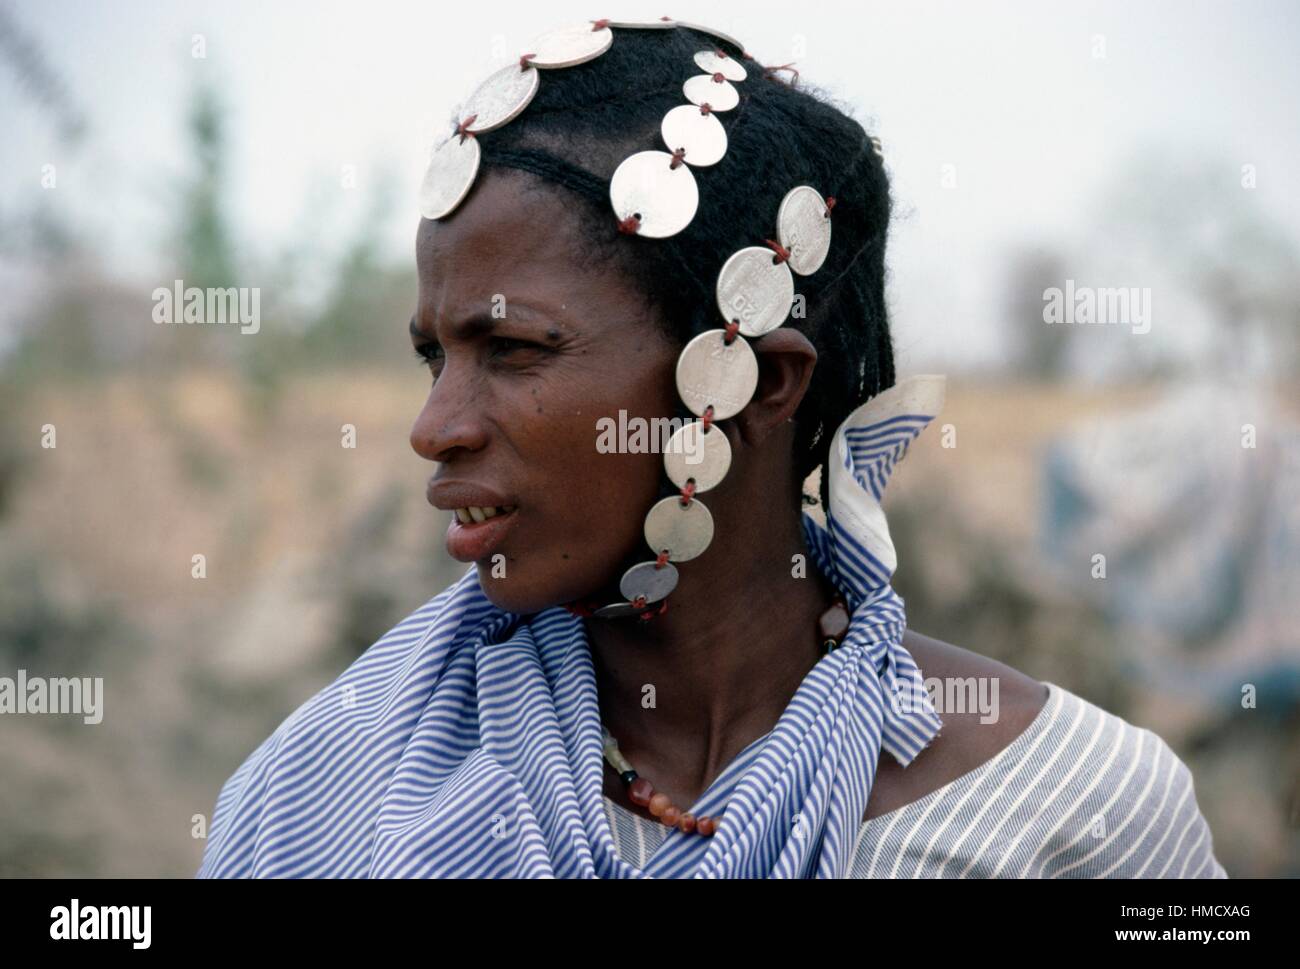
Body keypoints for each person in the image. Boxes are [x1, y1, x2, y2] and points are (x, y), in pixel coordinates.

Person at [197, 19, 1227, 878]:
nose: (435, 428)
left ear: (756, 383)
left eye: (510, 350)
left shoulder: (1076, 810)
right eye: (436, 358)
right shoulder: (330, 787)